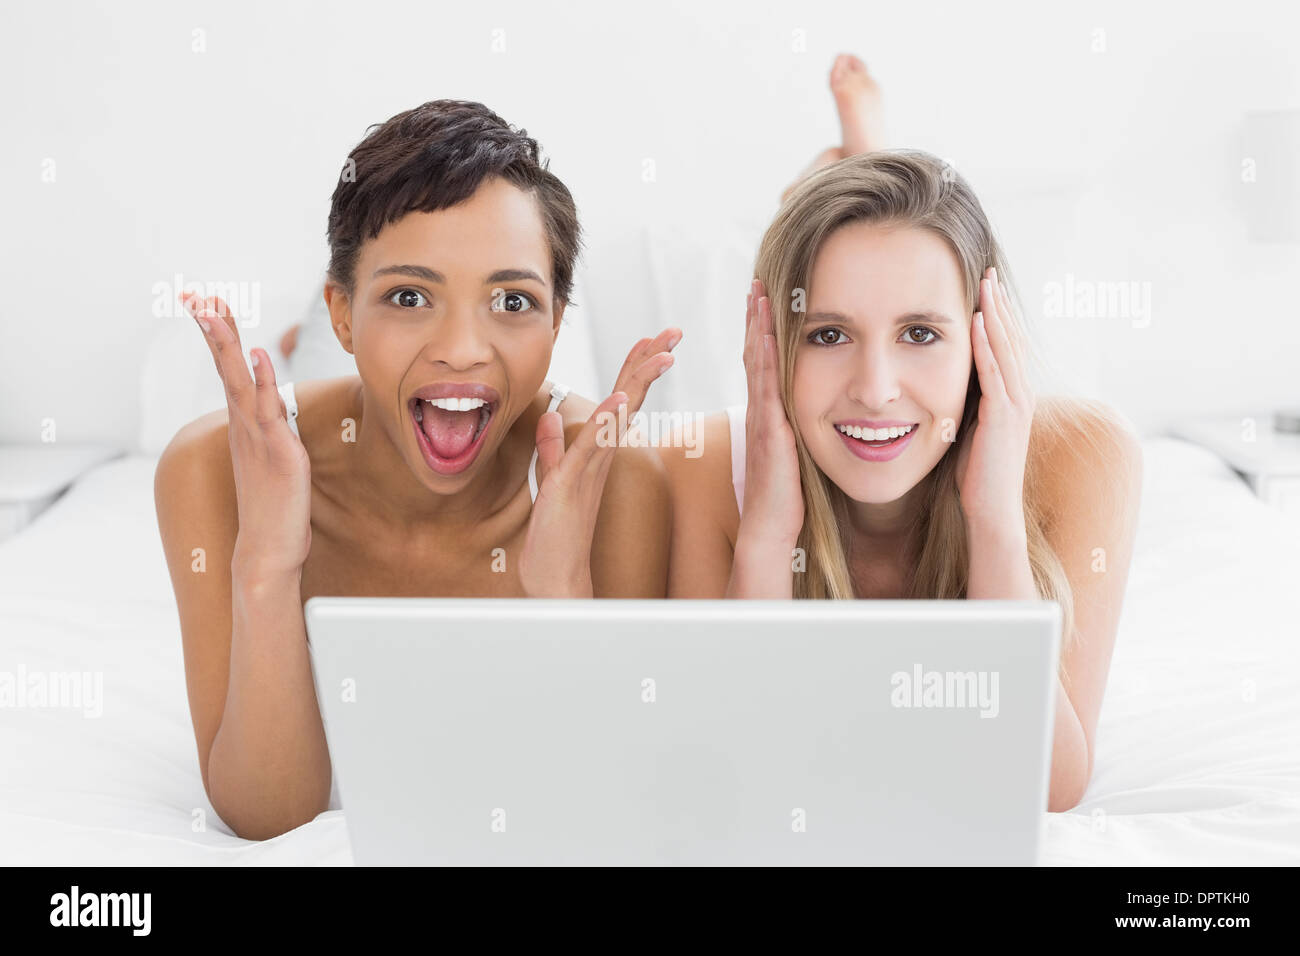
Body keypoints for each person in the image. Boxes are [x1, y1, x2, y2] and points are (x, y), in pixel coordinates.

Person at [154, 100, 679, 840]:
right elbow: (267, 817)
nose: (462, 347)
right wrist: (267, 566)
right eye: (409, 296)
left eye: (512, 300)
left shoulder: (617, 480)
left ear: (558, 323)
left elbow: (597, 807)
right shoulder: (209, 471)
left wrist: (563, 596)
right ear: (341, 312)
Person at [659, 56, 1143, 813]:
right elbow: (727, 770)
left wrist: (993, 521)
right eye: (825, 334)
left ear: (986, 343)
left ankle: (863, 153)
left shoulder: (1087, 454)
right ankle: (858, 163)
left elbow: (1047, 786)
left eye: (920, 332)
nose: (876, 389)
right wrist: (765, 537)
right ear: (773, 351)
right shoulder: (699, 466)